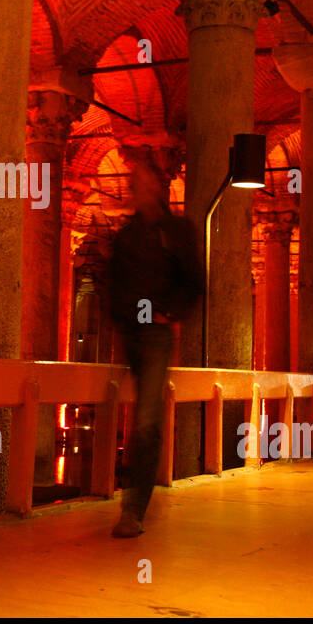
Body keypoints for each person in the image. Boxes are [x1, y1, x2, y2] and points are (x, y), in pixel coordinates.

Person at [106, 155, 202, 538]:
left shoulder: (177, 231)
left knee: (146, 421)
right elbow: (113, 281)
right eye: (134, 184)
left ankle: (133, 509)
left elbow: (194, 281)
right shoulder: (127, 235)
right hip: (129, 331)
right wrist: (118, 319)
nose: (136, 190)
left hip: (154, 333)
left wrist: (167, 313)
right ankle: (124, 493)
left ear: (159, 189)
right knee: (128, 417)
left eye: (144, 183)